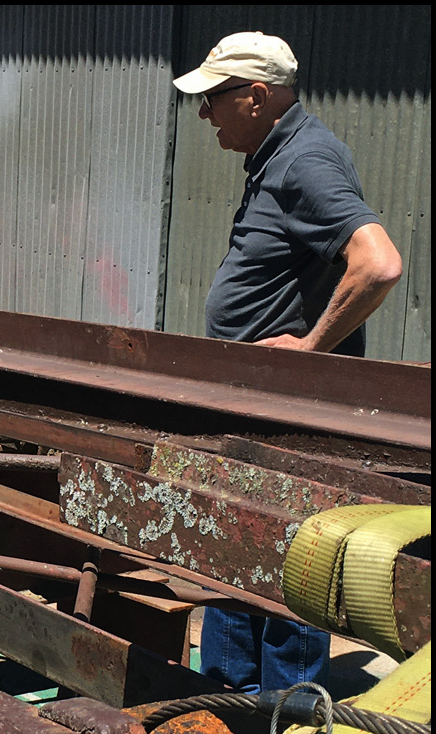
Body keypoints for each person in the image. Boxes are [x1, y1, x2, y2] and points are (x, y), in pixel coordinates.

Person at [172, 32, 403, 693]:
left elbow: (378, 263)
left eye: (213, 98)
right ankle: (230, 698)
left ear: (256, 95)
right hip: (254, 408)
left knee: (282, 558)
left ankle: (285, 721)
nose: (204, 113)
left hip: (287, 417)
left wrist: (308, 351)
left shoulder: (306, 160)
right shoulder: (276, 157)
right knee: (234, 548)